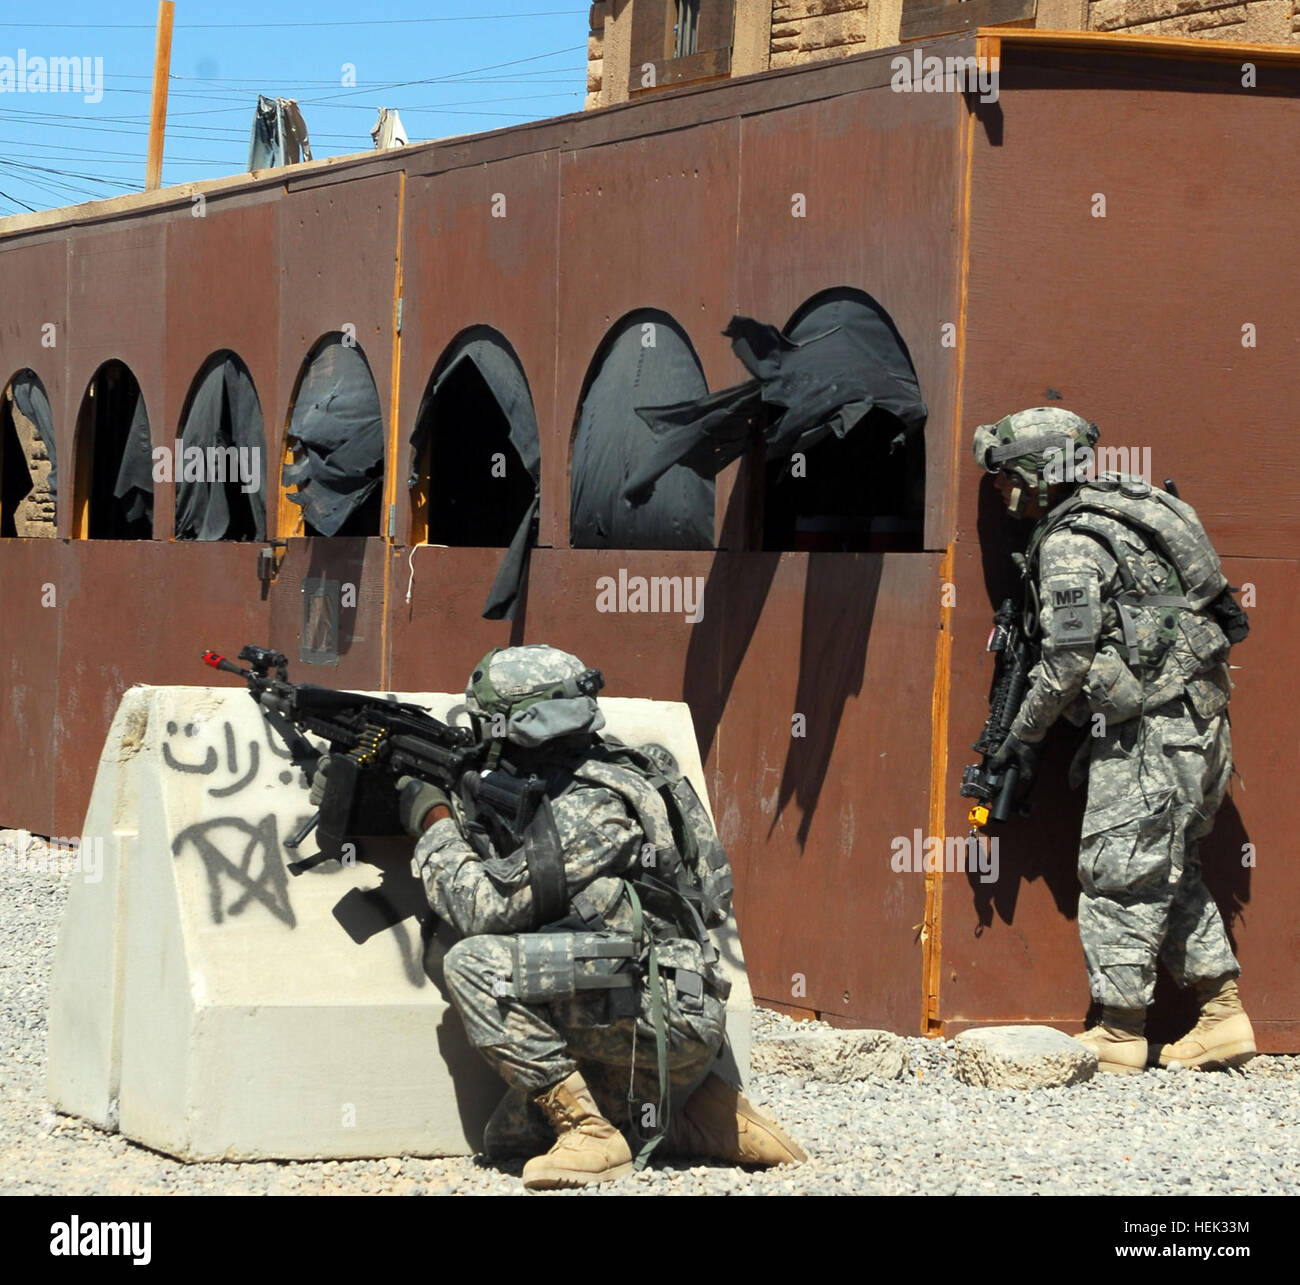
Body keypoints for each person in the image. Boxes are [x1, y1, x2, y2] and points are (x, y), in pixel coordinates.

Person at [394, 644, 805, 1188]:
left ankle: (593, 1132)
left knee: (474, 965)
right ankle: (688, 1116)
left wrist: (433, 820)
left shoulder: (592, 804)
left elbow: (483, 909)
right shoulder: (612, 768)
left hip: (661, 1013)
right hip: (654, 999)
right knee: (509, 1138)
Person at [971, 408, 1255, 1074]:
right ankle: (1222, 1014)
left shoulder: (1072, 542)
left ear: (1042, 475)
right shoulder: (1125, 516)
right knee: (1165, 870)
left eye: (1009, 478)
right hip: (1198, 726)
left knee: (1116, 871)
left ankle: (1121, 1030)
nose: (1002, 492)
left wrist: (1020, 736)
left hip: (1152, 735)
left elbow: (1066, 662)